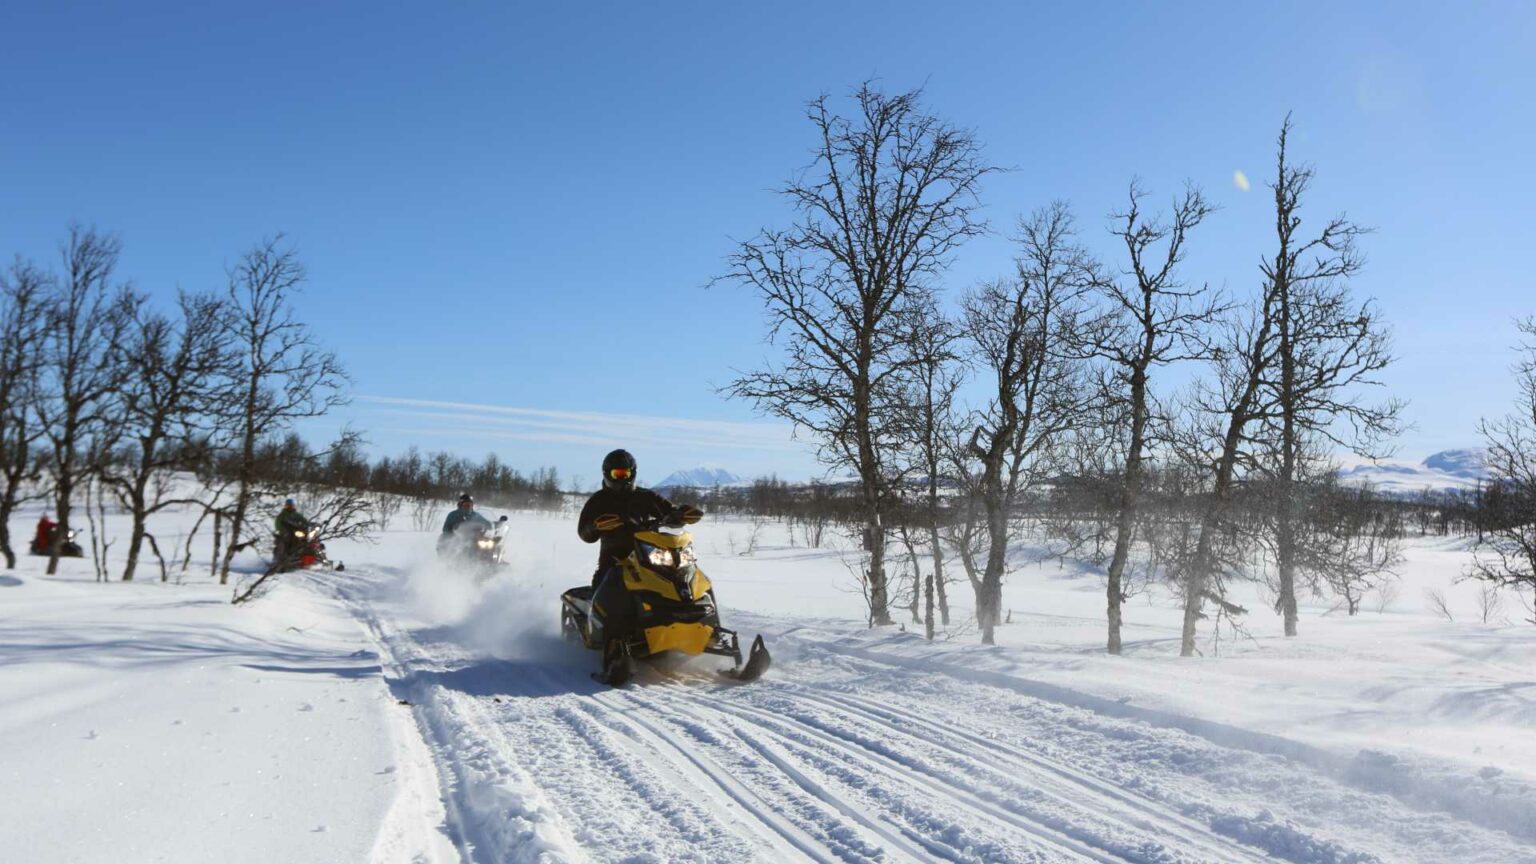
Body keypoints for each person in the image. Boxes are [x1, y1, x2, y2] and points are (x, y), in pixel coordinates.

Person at [577, 449, 702, 586]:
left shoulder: (646, 496)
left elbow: (668, 510)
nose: (622, 478)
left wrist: (681, 514)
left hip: (650, 555)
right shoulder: (598, 500)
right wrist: (595, 527)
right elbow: (584, 532)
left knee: (683, 576)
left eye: (625, 474)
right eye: (617, 474)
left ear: (632, 473)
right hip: (615, 559)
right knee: (603, 585)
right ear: (608, 474)